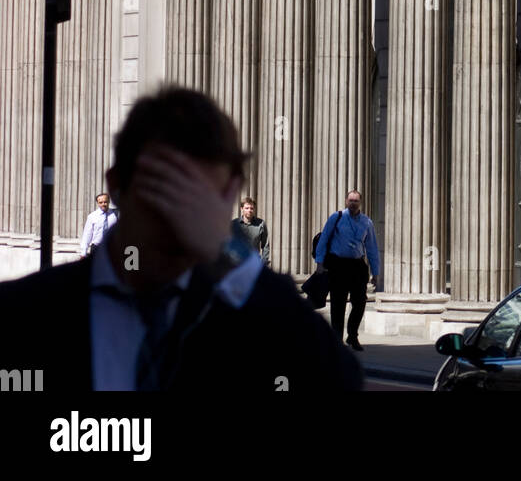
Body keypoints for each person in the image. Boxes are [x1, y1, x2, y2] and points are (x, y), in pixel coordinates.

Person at [0, 86, 361, 392]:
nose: (176, 219)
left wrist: (232, 258)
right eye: (163, 188)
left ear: (230, 193)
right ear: (118, 184)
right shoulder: (24, 315)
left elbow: (337, 381)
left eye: (199, 197)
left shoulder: (254, 316)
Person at [314, 191, 380, 352]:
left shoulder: (367, 222)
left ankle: (352, 335)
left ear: (360, 203)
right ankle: (337, 338)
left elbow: (372, 248)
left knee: (360, 302)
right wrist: (319, 262)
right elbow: (324, 239)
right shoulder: (336, 218)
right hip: (338, 265)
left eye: (356, 201)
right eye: (350, 200)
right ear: (346, 201)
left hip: (358, 265)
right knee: (338, 303)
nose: (353, 203)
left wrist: (375, 271)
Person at [231, 197, 270, 266]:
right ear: (241, 209)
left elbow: (265, 245)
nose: (249, 210)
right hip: (237, 264)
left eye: (251, 208)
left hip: (254, 263)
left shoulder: (261, 224)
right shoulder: (234, 224)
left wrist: (264, 262)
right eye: (247, 208)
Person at [79, 191, 117, 257]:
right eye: (100, 202)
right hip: (96, 248)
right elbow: (87, 235)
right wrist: (83, 253)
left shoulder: (115, 214)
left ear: (109, 202)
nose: (103, 204)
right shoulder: (92, 216)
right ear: (97, 203)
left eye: (105, 202)